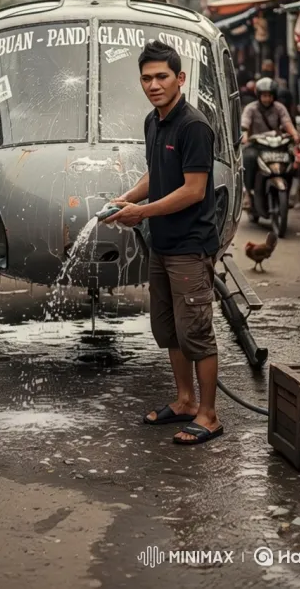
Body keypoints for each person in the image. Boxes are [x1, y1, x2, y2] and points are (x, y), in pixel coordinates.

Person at [105, 40, 222, 447]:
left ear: (180, 78)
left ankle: (209, 415)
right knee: (169, 329)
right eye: (146, 78)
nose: (153, 85)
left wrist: (142, 213)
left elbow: (193, 190)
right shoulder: (153, 122)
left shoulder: (194, 126)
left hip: (190, 245)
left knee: (197, 333)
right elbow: (157, 173)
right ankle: (186, 400)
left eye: (161, 77)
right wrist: (126, 198)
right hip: (163, 244)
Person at [241, 77, 299, 203]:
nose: (267, 99)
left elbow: (287, 123)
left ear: (274, 96)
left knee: (292, 159)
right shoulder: (250, 108)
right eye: (264, 96)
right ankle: (248, 193)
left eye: (269, 96)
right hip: (257, 145)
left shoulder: (279, 108)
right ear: (259, 96)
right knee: (248, 158)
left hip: (276, 145)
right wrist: (244, 136)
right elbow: (244, 125)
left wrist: (295, 134)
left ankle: (289, 193)